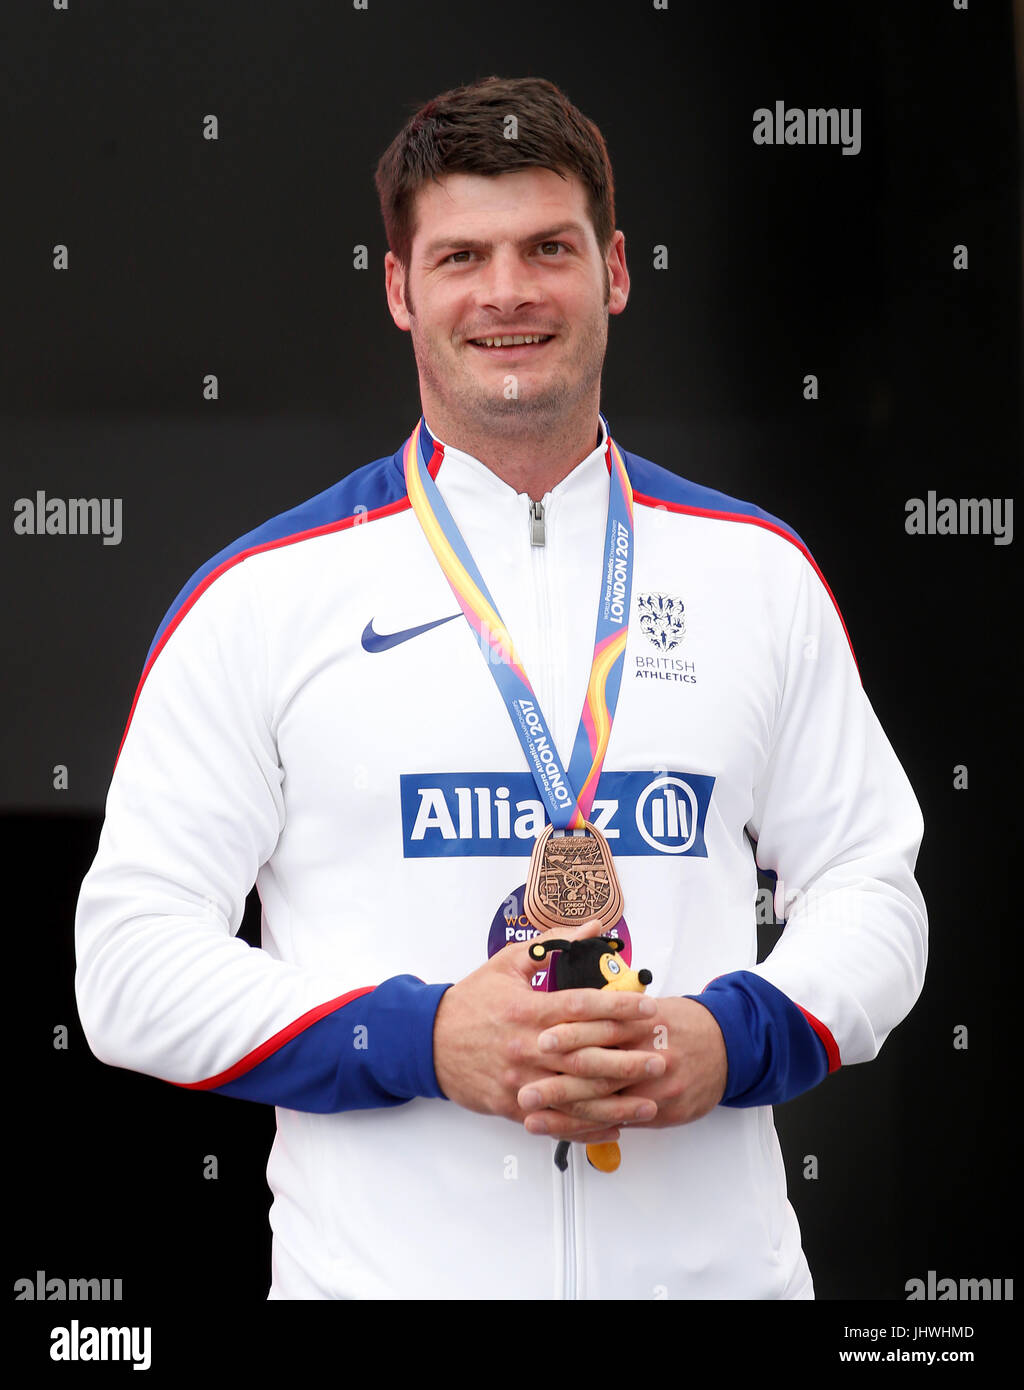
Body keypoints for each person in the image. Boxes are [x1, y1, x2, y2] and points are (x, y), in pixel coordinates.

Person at [75, 75, 928, 1300]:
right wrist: (418, 1038)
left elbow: (872, 887)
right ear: (398, 289)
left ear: (615, 269)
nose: (508, 292)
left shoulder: (757, 572)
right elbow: (128, 961)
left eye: (548, 248)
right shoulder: (263, 597)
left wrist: (735, 1039)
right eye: (461, 254)